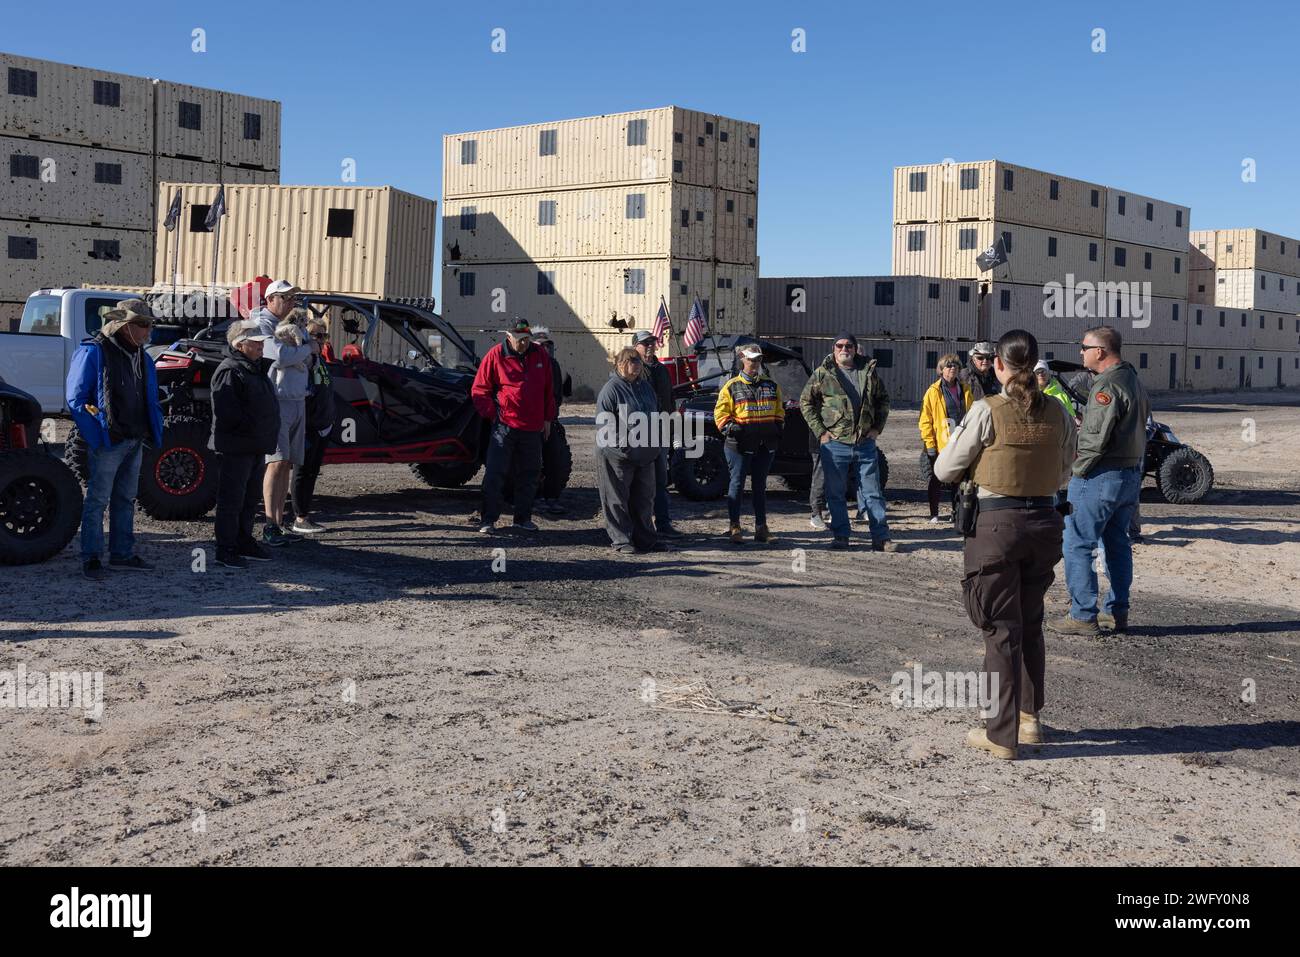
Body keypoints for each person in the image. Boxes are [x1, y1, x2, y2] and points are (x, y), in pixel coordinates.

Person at [935, 330, 1078, 760]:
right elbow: (1067, 466)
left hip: (997, 526)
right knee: (1030, 622)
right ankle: (1030, 719)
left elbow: (945, 470)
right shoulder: (1058, 410)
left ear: (998, 365)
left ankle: (1001, 734)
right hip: (1045, 523)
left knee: (1000, 630)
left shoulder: (986, 411)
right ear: (1034, 364)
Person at [1054, 326, 1150, 636]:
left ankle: (1082, 615)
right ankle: (1116, 611)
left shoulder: (1106, 386)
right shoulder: (1133, 380)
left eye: (1084, 347)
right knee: (1117, 542)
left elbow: (1094, 441)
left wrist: (1075, 472)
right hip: (1129, 475)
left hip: (1100, 476)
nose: (1080, 352)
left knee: (1077, 543)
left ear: (1100, 351)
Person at [66, 298, 164, 580]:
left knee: (125, 498)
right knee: (98, 499)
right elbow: (76, 399)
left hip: (134, 438)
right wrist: (98, 437)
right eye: (143, 325)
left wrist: (151, 430)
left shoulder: (142, 357)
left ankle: (121, 554)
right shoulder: (94, 352)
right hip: (110, 441)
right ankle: (92, 558)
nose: (148, 331)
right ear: (124, 325)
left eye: (148, 325)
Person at [799, 333, 892, 551]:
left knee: (873, 492)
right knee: (835, 492)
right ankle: (841, 535)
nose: (844, 349)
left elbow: (883, 399)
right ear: (834, 349)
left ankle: (881, 537)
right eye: (839, 345)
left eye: (848, 346)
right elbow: (806, 402)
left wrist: (877, 427)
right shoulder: (823, 374)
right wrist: (821, 431)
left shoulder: (868, 372)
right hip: (835, 444)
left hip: (864, 443)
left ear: (855, 348)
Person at [470, 318, 555, 533]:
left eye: (526, 338)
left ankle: (522, 519)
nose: (524, 343)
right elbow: (479, 390)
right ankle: (488, 520)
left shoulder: (540, 355)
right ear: (508, 336)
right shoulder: (495, 355)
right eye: (519, 339)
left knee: (530, 474)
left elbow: (548, 390)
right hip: (504, 427)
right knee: (496, 474)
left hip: (533, 428)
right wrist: (493, 415)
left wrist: (547, 419)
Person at [210, 320, 280, 569]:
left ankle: (242, 540)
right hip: (237, 447)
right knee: (232, 499)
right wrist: (254, 429)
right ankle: (225, 548)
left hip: (254, 445)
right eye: (256, 342)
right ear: (240, 345)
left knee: (249, 498)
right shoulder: (230, 371)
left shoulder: (254, 369)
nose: (261, 346)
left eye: (262, 342)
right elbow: (228, 413)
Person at [252, 279, 316, 546]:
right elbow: (278, 356)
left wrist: (300, 352)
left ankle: (278, 522)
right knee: (276, 462)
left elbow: (311, 355)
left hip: (297, 398)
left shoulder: (291, 323)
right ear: (270, 299)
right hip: (277, 400)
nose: (291, 303)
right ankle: (269, 524)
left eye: (293, 298)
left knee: (286, 463)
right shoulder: (262, 323)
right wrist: (303, 350)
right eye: (285, 298)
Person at [594, 348, 668, 554]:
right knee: (617, 498)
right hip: (618, 455)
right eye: (631, 361)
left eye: (638, 362)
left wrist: (655, 445)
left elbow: (655, 414)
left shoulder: (645, 387)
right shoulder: (611, 389)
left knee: (644, 498)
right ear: (620, 364)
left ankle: (646, 539)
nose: (636, 365)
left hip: (645, 454)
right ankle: (621, 540)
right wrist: (626, 448)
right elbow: (606, 425)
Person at [714, 343, 785, 544]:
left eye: (758, 359)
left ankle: (761, 528)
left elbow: (780, 410)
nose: (755, 363)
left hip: (764, 444)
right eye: (751, 359)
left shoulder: (772, 385)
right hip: (738, 445)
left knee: (760, 486)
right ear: (742, 359)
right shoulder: (731, 386)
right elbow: (720, 413)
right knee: (736, 485)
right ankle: (734, 527)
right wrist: (729, 428)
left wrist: (778, 426)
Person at [289, 314, 336, 535]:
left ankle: (304, 515)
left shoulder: (321, 361)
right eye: (317, 335)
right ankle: (299, 517)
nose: (321, 340)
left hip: (323, 425)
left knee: (312, 472)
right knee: (301, 471)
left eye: (324, 336)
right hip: (308, 426)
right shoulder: (303, 361)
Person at [633, 330, 682, 538]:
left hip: (661, 432)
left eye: (652, 342)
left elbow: (669, 400)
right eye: (645, 343)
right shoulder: (633, 370)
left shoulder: (661, 370)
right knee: (639, 482)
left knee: (660, 481)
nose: (650, 346)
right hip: (641, 434)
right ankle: (641, 526)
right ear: (635, 346)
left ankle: (663, 524)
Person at [918, 353, 972, 523]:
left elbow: (971, 414)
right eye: (949, 366)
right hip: (940, 443)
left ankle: (955, 513)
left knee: (958, 479)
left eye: (956, 365)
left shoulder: (965, 389)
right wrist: (930, 444)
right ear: (941, 370)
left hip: (960, 441)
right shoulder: (933, 391)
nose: (953, 368)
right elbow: (925, 420)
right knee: (937, 478)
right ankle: (934, 514)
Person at [531, 327, 568, 517]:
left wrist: (550, 417)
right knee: (532, 462)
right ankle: (534, 498)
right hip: (530, 423)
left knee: (555, 460)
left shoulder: (553, 365)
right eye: (540, 345)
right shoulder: (527, 363)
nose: (544, 348)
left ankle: (551, 497)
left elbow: (557, 395)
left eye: (547, 345)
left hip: (550, 421)